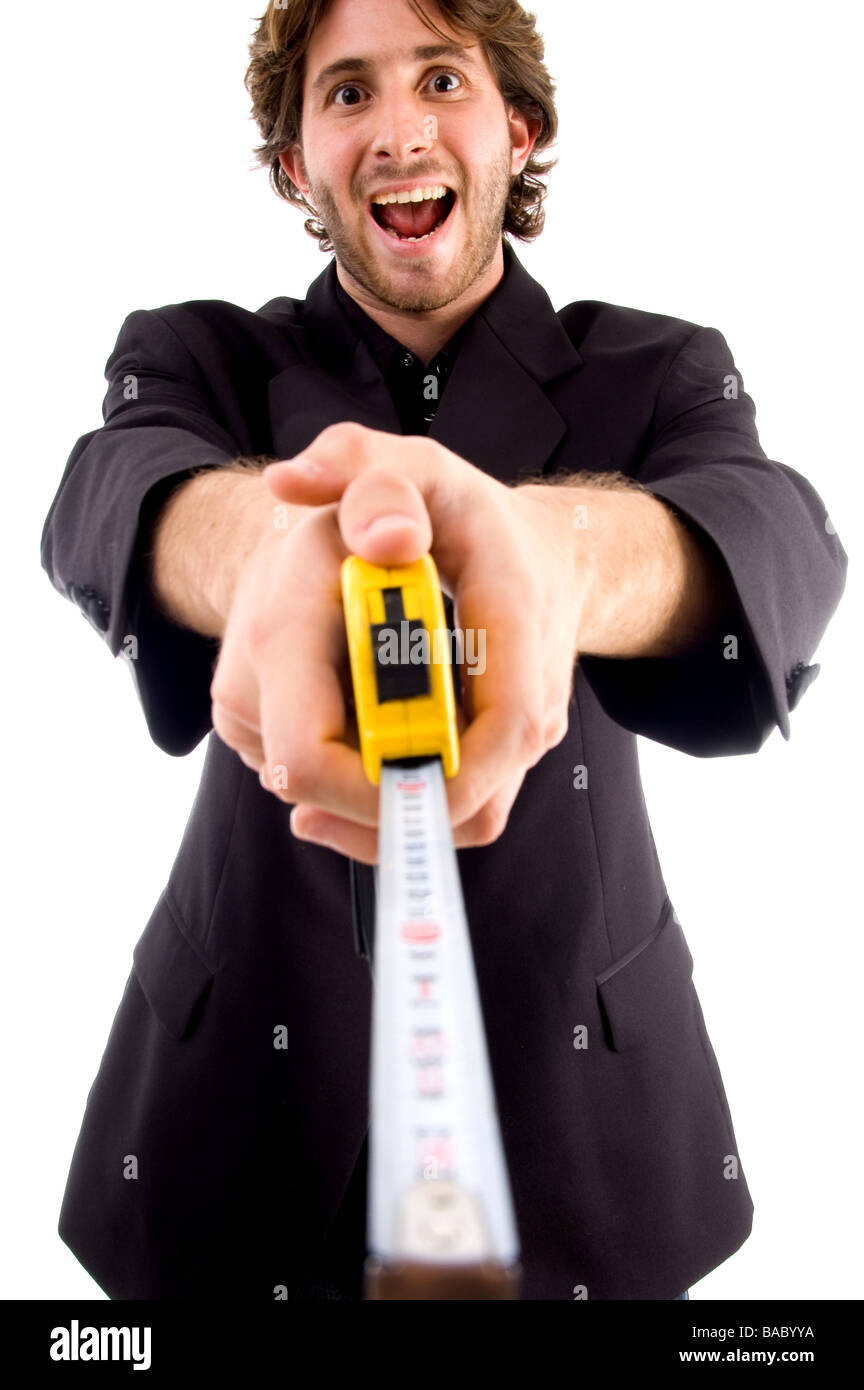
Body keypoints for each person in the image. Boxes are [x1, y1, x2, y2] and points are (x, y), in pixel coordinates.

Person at [41, 0, 847, 1301]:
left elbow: (780, 536)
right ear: (296, 159)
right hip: (230, 1114)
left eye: (441, 78)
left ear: (516, 127)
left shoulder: (656, 370)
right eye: (347, 93)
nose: (400, 129)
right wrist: (262, 546)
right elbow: (107, 488)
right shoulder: (200, 353)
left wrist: (559, 554)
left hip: (586, 1121)